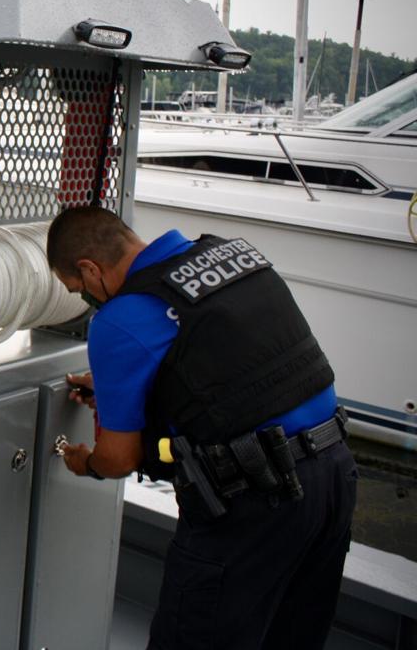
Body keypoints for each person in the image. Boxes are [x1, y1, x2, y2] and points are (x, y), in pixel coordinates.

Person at [45, 205, 357, 649]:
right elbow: (230, 373)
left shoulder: (120, 319)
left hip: (255, 504)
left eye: (80, 290)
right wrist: (118, 390)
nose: (88, 298)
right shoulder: (232, 255)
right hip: (334, 477)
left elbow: (119, 459)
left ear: (90, 269)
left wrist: (84, 462)